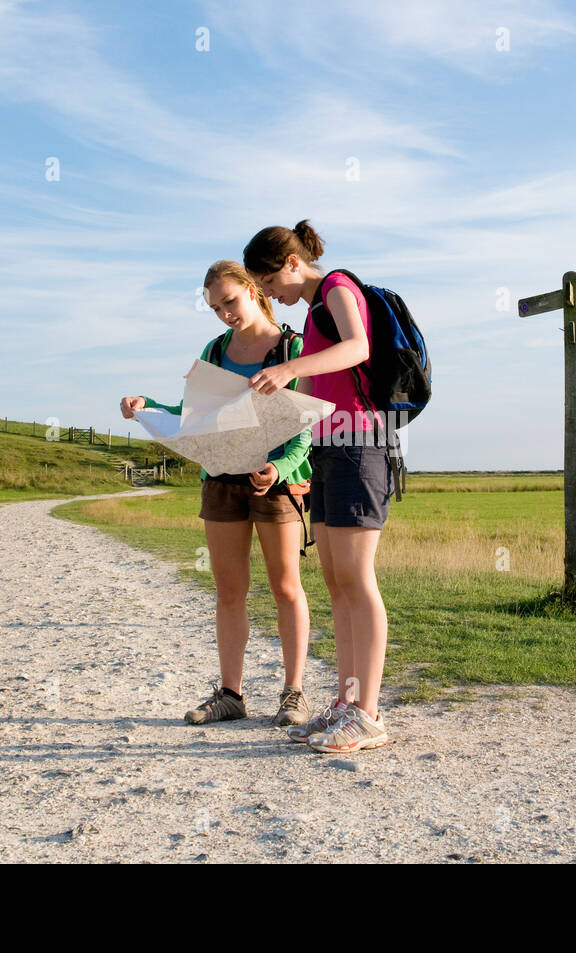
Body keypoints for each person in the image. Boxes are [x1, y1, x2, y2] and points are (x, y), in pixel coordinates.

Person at [119, 260, 313, 728]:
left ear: (252, 289)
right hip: (221, 481)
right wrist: (148, 405)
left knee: (286, 587)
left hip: (277, 482)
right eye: (215, 307)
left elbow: (306, 426)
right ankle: (231, 694)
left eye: (230, 300)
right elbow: (194, 415)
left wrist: (280, 468)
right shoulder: (215, 348)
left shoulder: (293, 346)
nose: (225, 313)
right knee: (229, 591)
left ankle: (294, 693)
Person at [243, 220, 393, 754]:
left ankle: (368, 715)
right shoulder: (310, 311)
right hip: (329, 448)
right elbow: (311, 391)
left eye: (269, 286)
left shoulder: (336, 287)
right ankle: (347, 705)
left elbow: (356, 348)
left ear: (290, 264)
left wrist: (290, 371)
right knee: (335, 581)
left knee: (356, 578)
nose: (273, 300)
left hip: (361, 446)